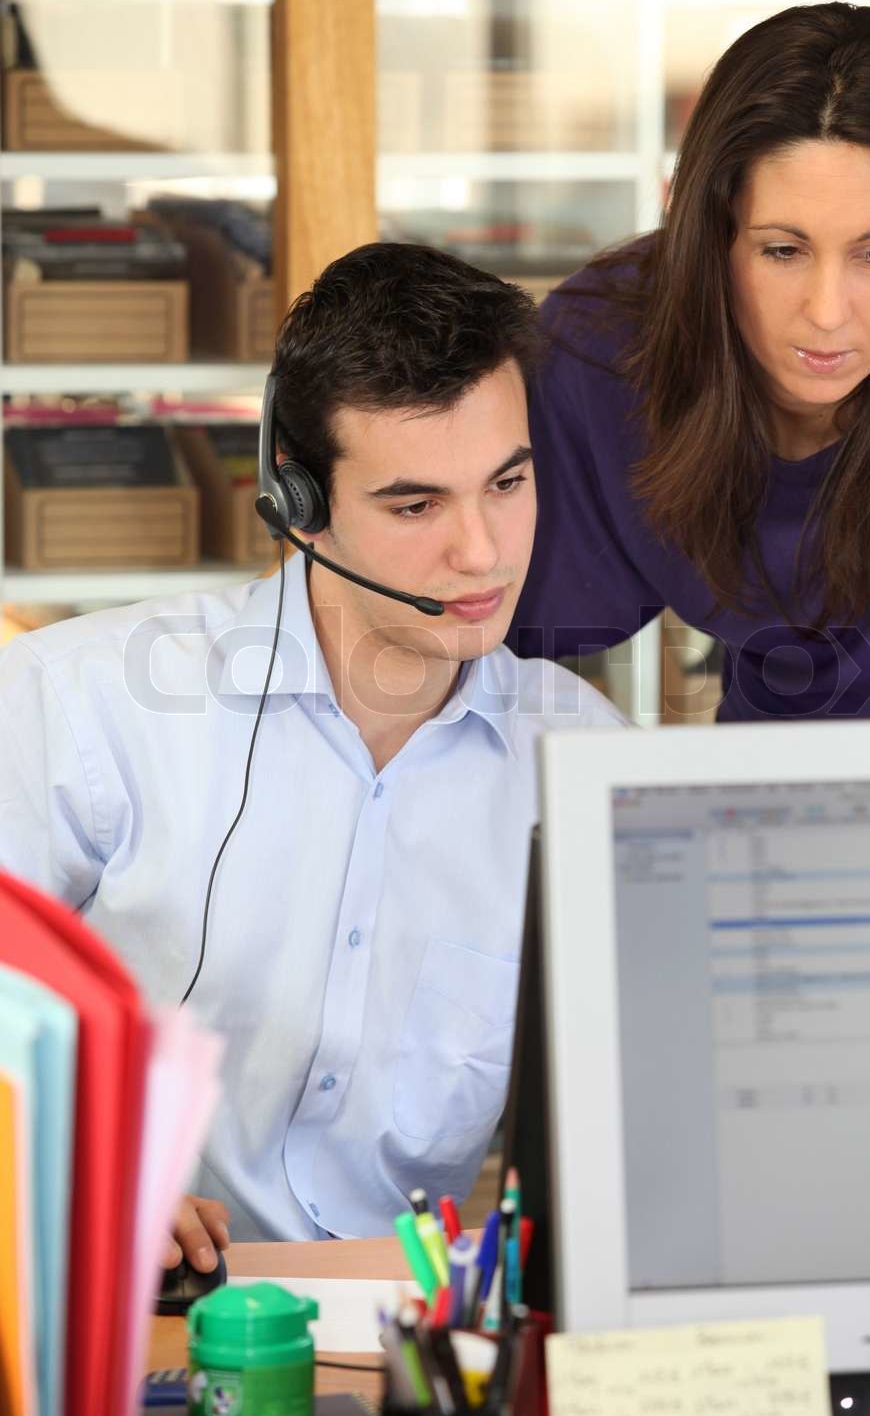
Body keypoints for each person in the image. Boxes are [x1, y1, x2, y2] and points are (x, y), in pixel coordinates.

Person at [0, 242, 625, 1273]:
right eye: (415, 505)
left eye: (507, 482)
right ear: (298, 502)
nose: (481, 551)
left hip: (400, 1323)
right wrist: (69, 1168)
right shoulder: (81, 703)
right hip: (120, 1292)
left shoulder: (580, 764)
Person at [508, 2, 870, 720]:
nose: (827, 313)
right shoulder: (608, 343)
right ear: (713, 225)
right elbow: (479, 613)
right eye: (781, 250)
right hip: (752, 773)